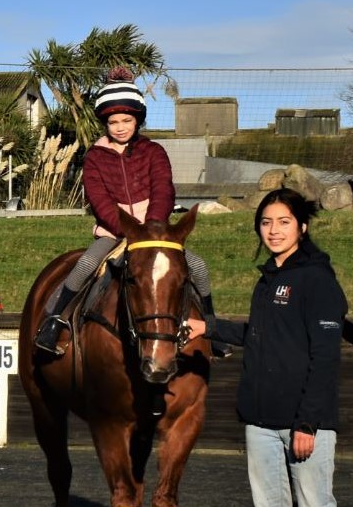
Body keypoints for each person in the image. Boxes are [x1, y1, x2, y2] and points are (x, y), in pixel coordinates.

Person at [191, 188, 348, 507]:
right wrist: (210, 328)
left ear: (302, 226)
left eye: (282, 221)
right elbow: (262, 336)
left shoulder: (318, 280)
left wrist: (309, 422)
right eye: (266, 222)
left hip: (304, 425)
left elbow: (325, 357)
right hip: (259, 421)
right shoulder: (268, 279)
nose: (274, 230)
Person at [34, 67, 216, 355]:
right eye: (113, 121)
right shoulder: (94, 157)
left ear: (137, 120)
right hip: (114, 232)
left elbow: (164, 191)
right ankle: (54, 320)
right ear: (105, 123)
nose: (120, 127)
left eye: (126, 120)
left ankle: (211, 325)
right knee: (85, 264)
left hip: (154, 233)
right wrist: (126, 230)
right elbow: (98, 198)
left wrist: (150, 228)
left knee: (198, 266)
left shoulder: (154, 152)